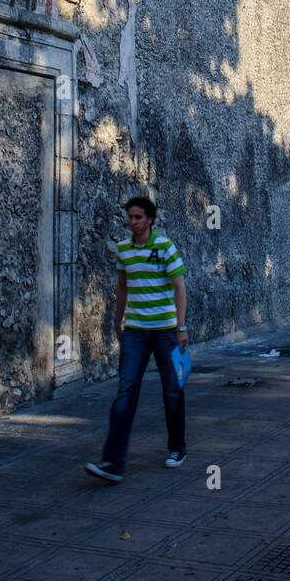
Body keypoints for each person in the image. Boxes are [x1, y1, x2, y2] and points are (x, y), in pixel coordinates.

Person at [84, 195, 188, 482]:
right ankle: (113, 463)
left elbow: (180, 289)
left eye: (138, 217)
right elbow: (121, 288)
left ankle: (177, 448)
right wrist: (117, 322)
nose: (133, 222)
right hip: (135, 332)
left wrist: (181, 327)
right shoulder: (123, 251)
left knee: (172, 390)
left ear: (150, 219)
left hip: (166, 331)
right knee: (126, 391)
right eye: (130, 217)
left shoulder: (165, 247)